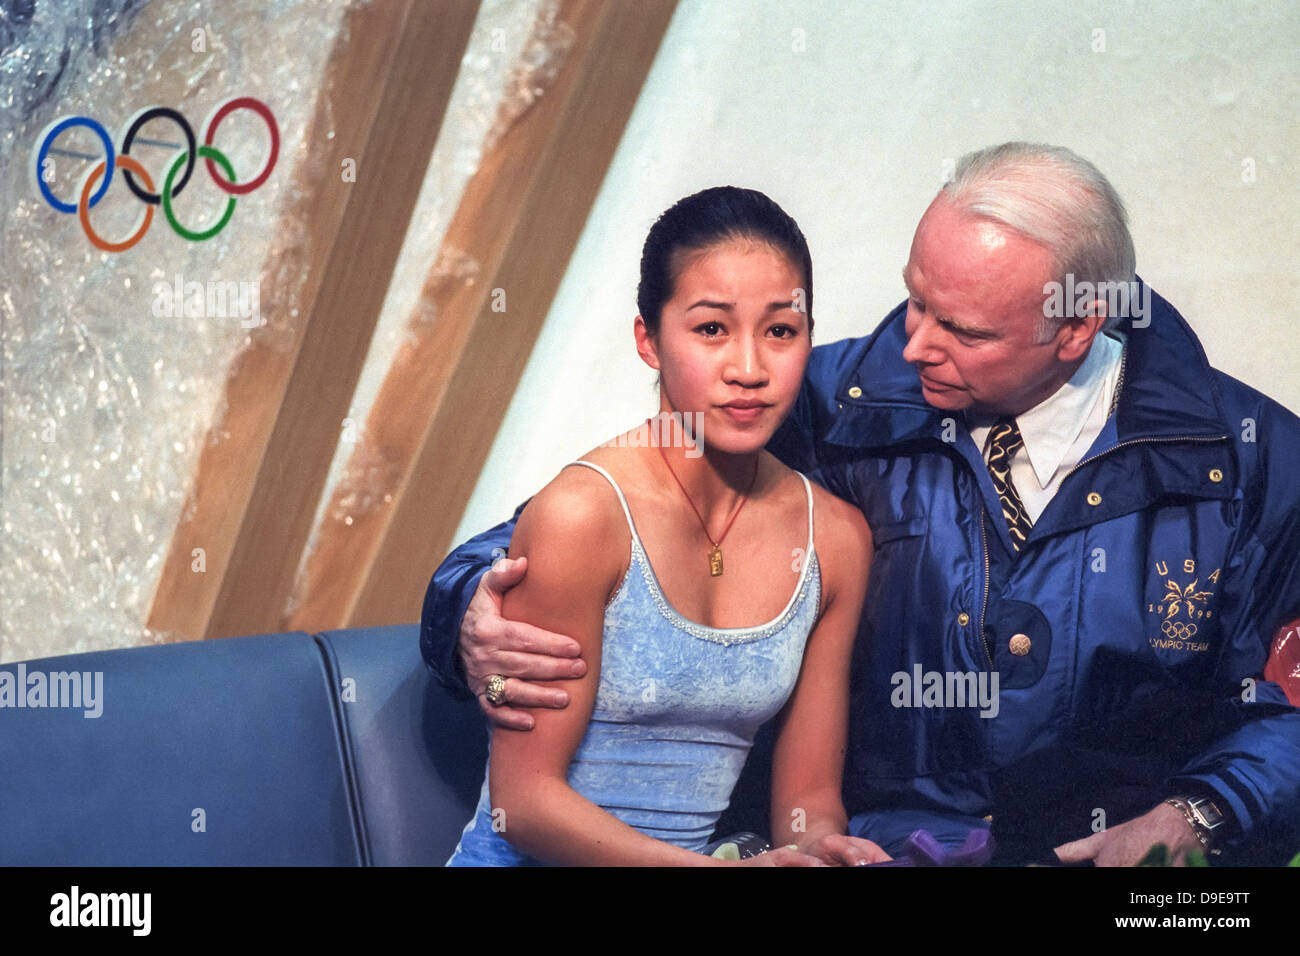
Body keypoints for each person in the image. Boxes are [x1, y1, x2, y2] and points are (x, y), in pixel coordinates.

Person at [425, 144, 1300, 866]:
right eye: (916, 299)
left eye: (963, 329)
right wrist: (470, 605)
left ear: (1076, 327)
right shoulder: (845, 400)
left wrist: (1203, 815)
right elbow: (597, 517)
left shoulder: (1256, 460)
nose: (913, 343)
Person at [442, 186, 890, 866]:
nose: (749, 369)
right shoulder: (581, 516)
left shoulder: (836, 539)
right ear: (648, 340)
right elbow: (524, 805)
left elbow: (807, 799)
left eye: (780, 331)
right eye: (711, 329)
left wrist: (822, 854)